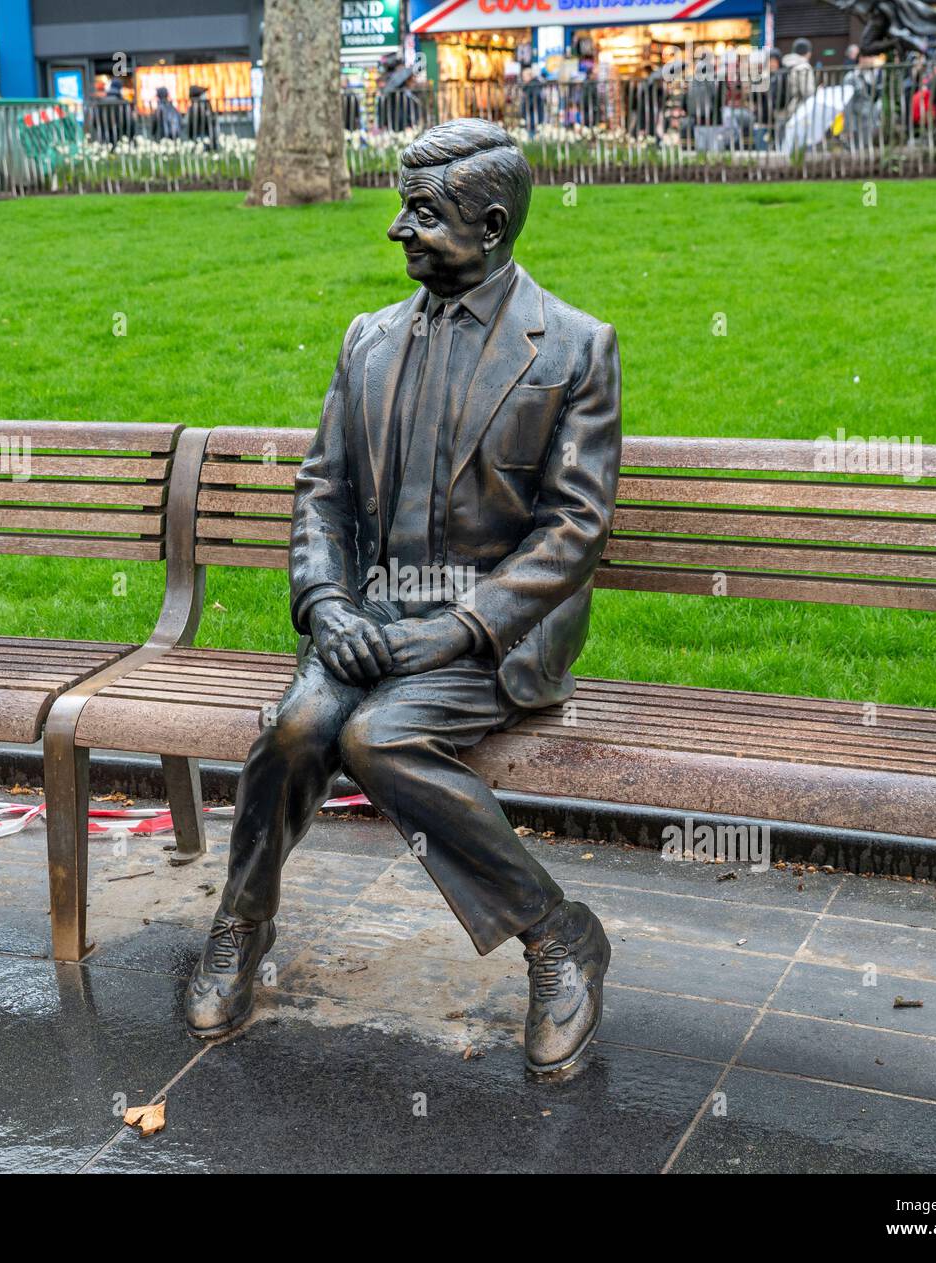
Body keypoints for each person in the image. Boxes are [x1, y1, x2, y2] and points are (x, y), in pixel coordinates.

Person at [185, 119, 622, 1076]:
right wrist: (325, 604)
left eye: (423, 215)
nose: (398, 231)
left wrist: (466, 625)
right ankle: (241, 919)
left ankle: (557, 935)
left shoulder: (575, 349)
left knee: (375, 737)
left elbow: (575, 527)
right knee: (301, 728)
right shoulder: (368, 340)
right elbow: (323, 490)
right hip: (369, 615)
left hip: (493, 632)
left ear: (494, 224)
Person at [778, 38, 816, 129]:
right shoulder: (803, 67)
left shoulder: (785, 64)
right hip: (799, 109)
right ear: (808, 52)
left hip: (783, 109)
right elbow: (807, 92)